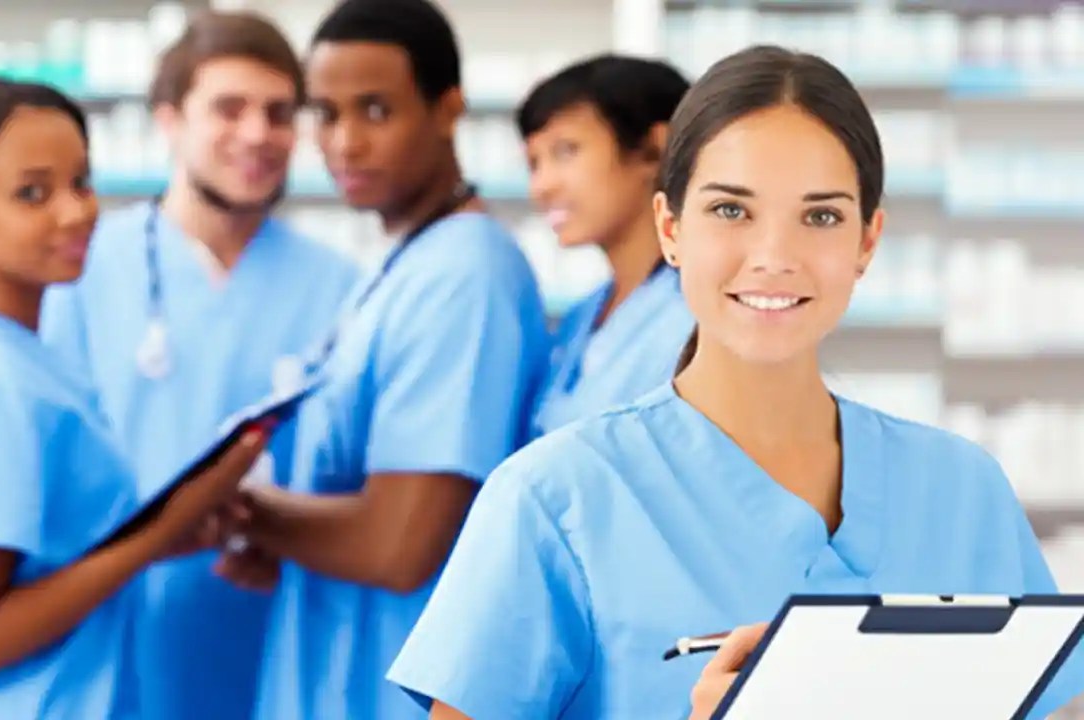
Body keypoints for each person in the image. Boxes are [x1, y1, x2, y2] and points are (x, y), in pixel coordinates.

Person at [386, 45, 1084, 719]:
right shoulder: (550, 502)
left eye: (820, 216)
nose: (774, 256)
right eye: (730, 210)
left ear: (867, 241)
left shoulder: (963, 493)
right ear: (670, 228)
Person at [0, 79, 265, 720]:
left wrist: (176, 533)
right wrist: (161, 527)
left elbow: (41, 561)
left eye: (81, 182)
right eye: (32, 193)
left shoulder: (16, 355)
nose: (75, 212)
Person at [214, 1, 550, 718]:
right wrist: (286, 537)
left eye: (375, 110)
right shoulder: (405, 261)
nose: (344, 143)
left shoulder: (465, 275)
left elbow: (400, 546)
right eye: (326, 114)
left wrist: (236, 509)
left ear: (448, 109)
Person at [39, 13, 359, 720]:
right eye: (229, 108)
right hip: (113, 641)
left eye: (279, 113)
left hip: (275, 640)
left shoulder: (341, 288)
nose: (257, 133)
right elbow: (48, 473)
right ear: (169, 120)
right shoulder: (83, 271)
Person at [518, 54, 694, 437]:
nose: (542, 186)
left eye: (566, 151)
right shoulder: (582, 319)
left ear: (655, 148)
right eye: (534, 163)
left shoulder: (700, 313)